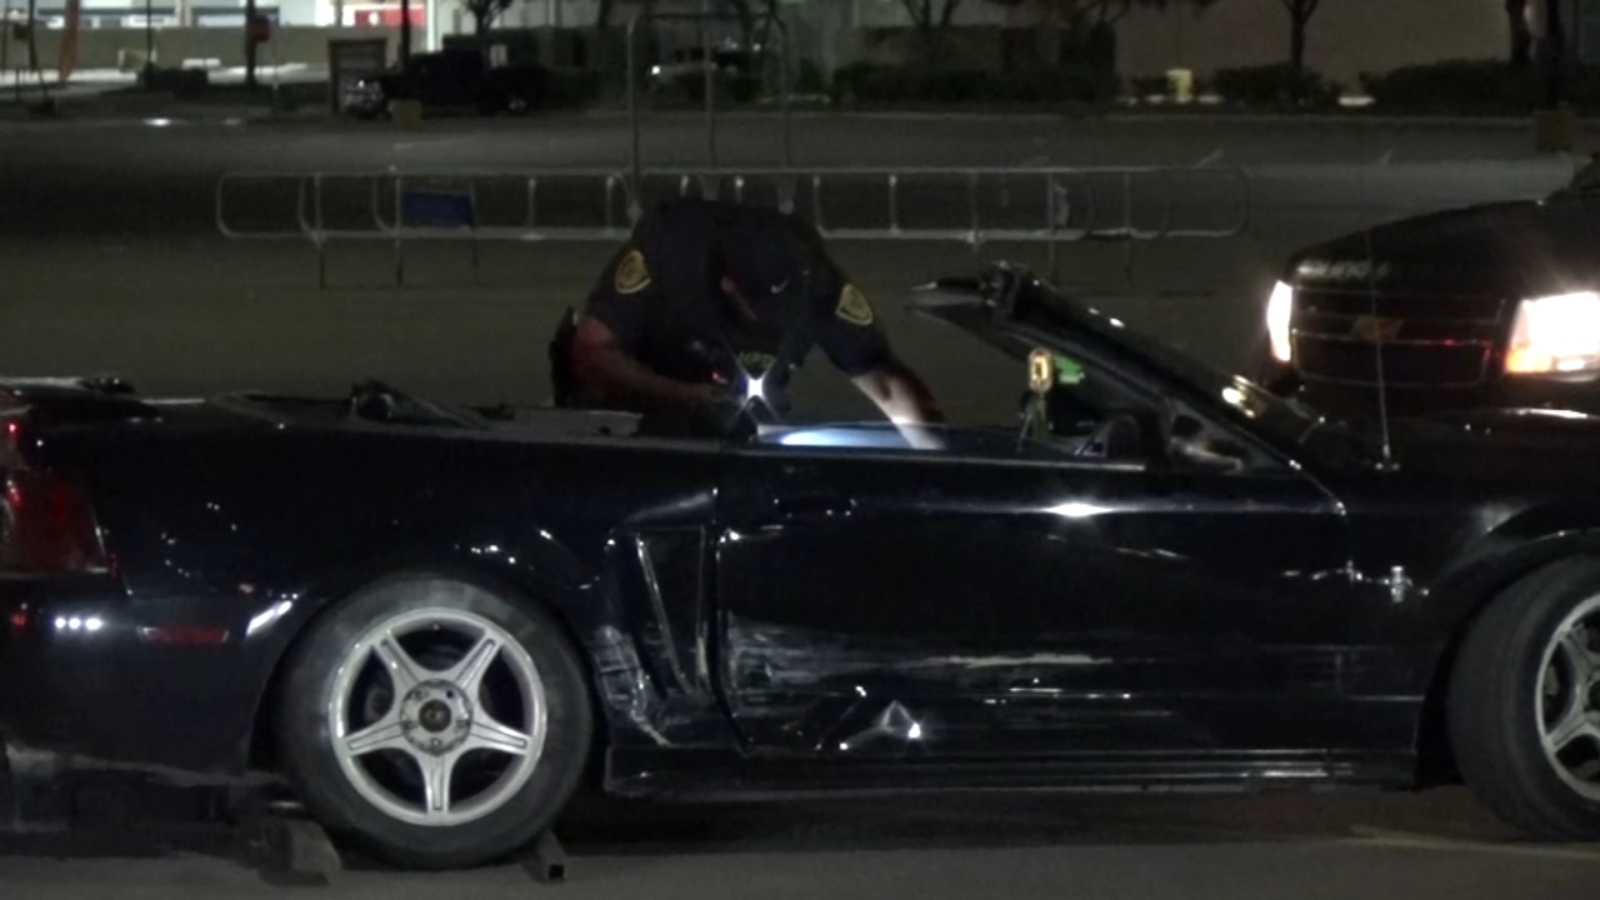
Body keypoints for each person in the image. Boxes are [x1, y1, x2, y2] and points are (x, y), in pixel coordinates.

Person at [551, 197, 944, 439]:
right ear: (728, 286)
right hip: (631, 425)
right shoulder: (670, 249)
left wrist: (942, 459)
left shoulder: (814, 276)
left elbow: (885, 379)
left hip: (737, 432)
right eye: (761, 314)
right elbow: (592, 355)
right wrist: (686, 398)